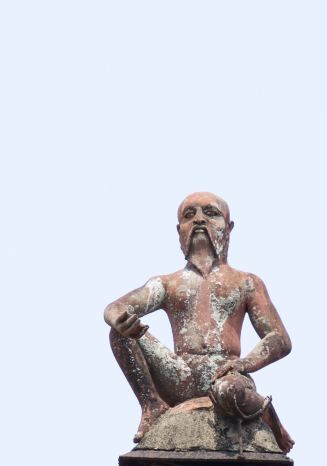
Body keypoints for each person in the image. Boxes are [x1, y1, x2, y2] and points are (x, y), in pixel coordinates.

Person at [104, 192, 293, 449]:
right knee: (119, 333)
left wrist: (245, 364)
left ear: (229, 227)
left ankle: (266, 412)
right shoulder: (168, 283)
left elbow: (279, 338)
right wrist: (119, 318)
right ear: (179, 230)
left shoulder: (246, 282)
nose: (199, 220)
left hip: (226, 374)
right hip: (180, 375)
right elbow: (117, 307)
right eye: (189, 215)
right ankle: (152, 406)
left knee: (231, 392)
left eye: (210, 213)